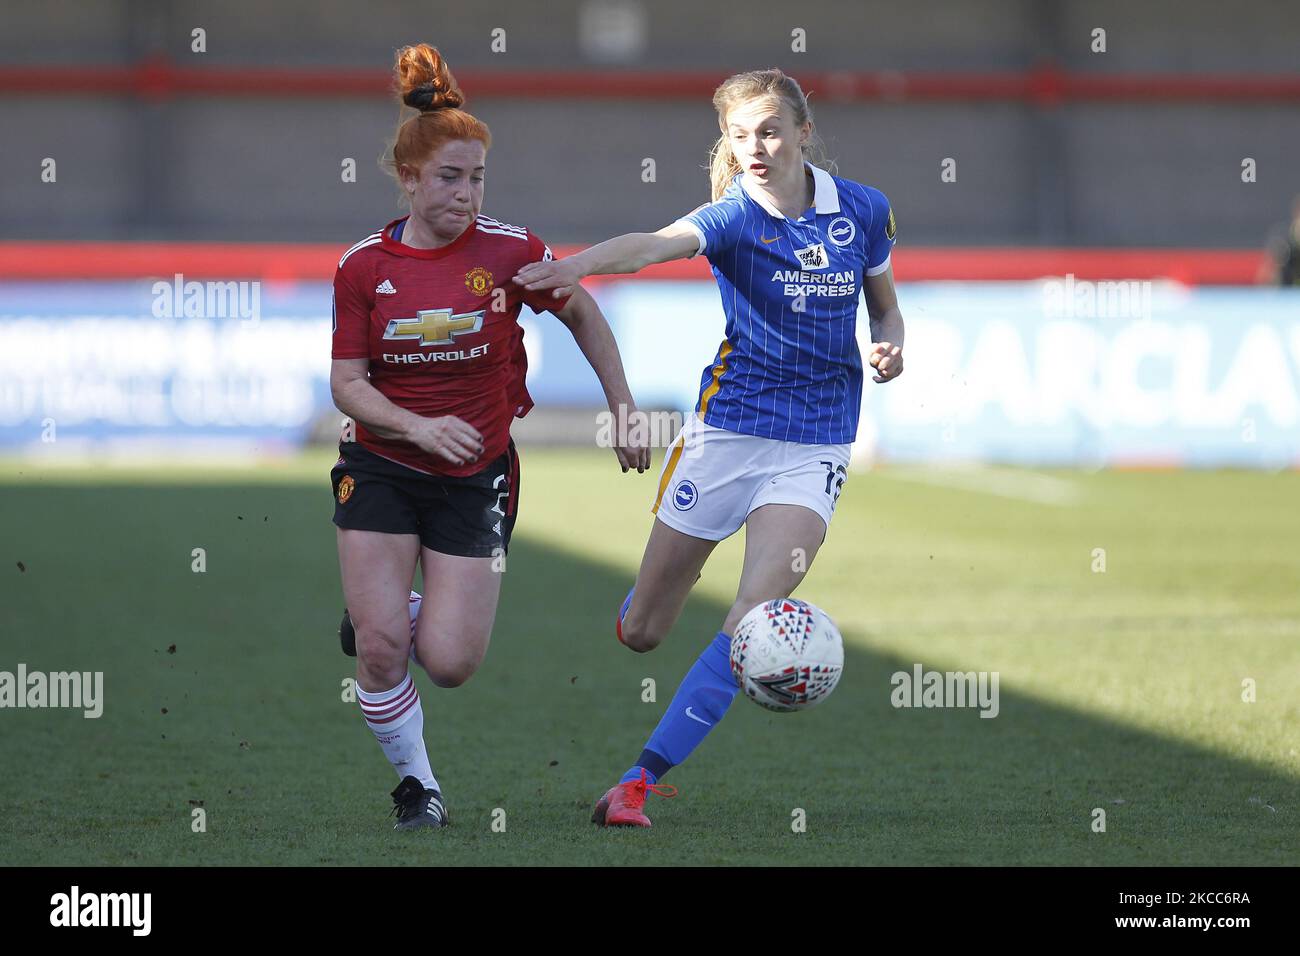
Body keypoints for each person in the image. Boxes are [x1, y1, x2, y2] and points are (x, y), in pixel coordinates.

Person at [514, 67, 905, 828]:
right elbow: (653, 246)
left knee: (753, 620)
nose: (755, 147)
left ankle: (636, 783)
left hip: (815, 446)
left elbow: (887, 313)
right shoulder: (732, 218)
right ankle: (650, 600)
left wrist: (891, 349)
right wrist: (578, 265)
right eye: (739, 135)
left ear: (802, 131)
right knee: (642, 632)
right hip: (725, 436)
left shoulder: (864, 210)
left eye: (768, 130)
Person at [331, 43, 649, 830]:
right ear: (409, 178)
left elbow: (581, 309)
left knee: (450, 663)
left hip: (479, 474)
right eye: (450, 177)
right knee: (377, 652)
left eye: (477, 178)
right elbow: (346, 384)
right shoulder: (364, 269)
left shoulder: (511, 252)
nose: (467, 193)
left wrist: (624, 405)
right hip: (378, 465)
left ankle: (393, 610)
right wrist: (412, 424)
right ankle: (419, 788)